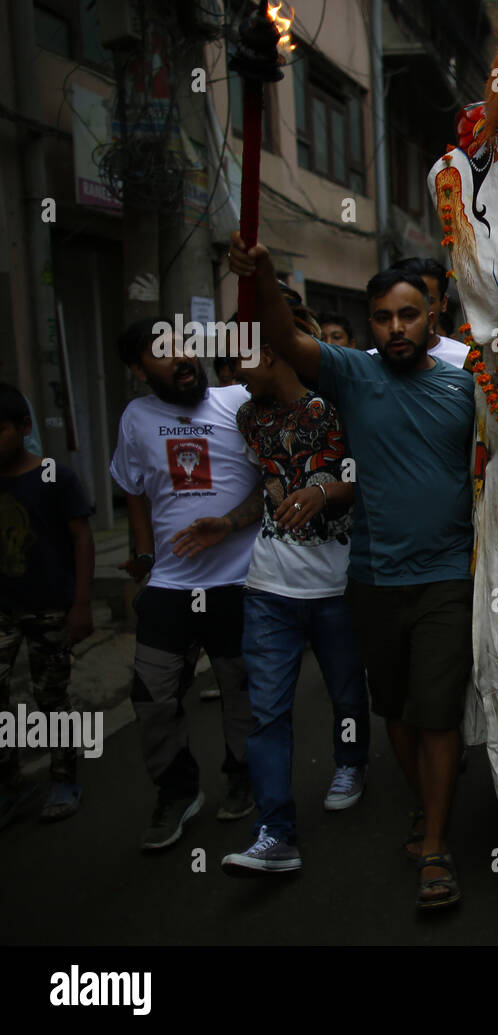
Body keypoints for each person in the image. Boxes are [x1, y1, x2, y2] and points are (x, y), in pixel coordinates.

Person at [227, 231, 475, 910]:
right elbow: (286, 337)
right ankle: (426, 806)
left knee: (438, 711)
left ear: (434, 315)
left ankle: (435, 846)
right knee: (394, 708)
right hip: (370, 578)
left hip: (448, 577)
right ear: (372, 324)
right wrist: (266, 274)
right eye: (384, 318)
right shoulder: (352, 374)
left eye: (409, 314)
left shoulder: (467, 389)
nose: (396, 328)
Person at [169, 298, 372, 876]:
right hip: (267, 587)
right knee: (266, 712)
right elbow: (267, 483)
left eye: (237, 361)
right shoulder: (248, 418)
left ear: (268, 353)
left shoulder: (337, 404)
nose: (231, 375)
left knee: (347, 693)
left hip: (336, 584)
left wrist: (328, 492)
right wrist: (229, 524)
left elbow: (370, 473)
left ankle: (352, 760)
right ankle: (274, 832)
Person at [109, 319, 261, 851]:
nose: (179, 358)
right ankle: (176, 792)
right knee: (151, 696)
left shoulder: (239, 403)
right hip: (171, 585)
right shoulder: (137, 417)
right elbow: (131, 486)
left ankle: (242, 774)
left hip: (238, 580)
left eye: (182, 346)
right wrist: (145, 554)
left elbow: (271, 483)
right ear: (137, 370)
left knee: (239, 689)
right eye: (161, 352)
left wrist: (232, 525)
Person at [0, 384, 94, 827]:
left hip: (50, 606)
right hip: (4, 608)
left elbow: (81, 538)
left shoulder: (54, 475)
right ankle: (10, 784)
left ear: (23, 428)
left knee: (51, 696)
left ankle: (63, 776)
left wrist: (80, 604)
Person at [385, 256, 471, 369]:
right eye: (406, 302)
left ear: (444, 303)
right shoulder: (369, 365)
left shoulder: (466, 360)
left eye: (427, 302)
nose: (414, 310)